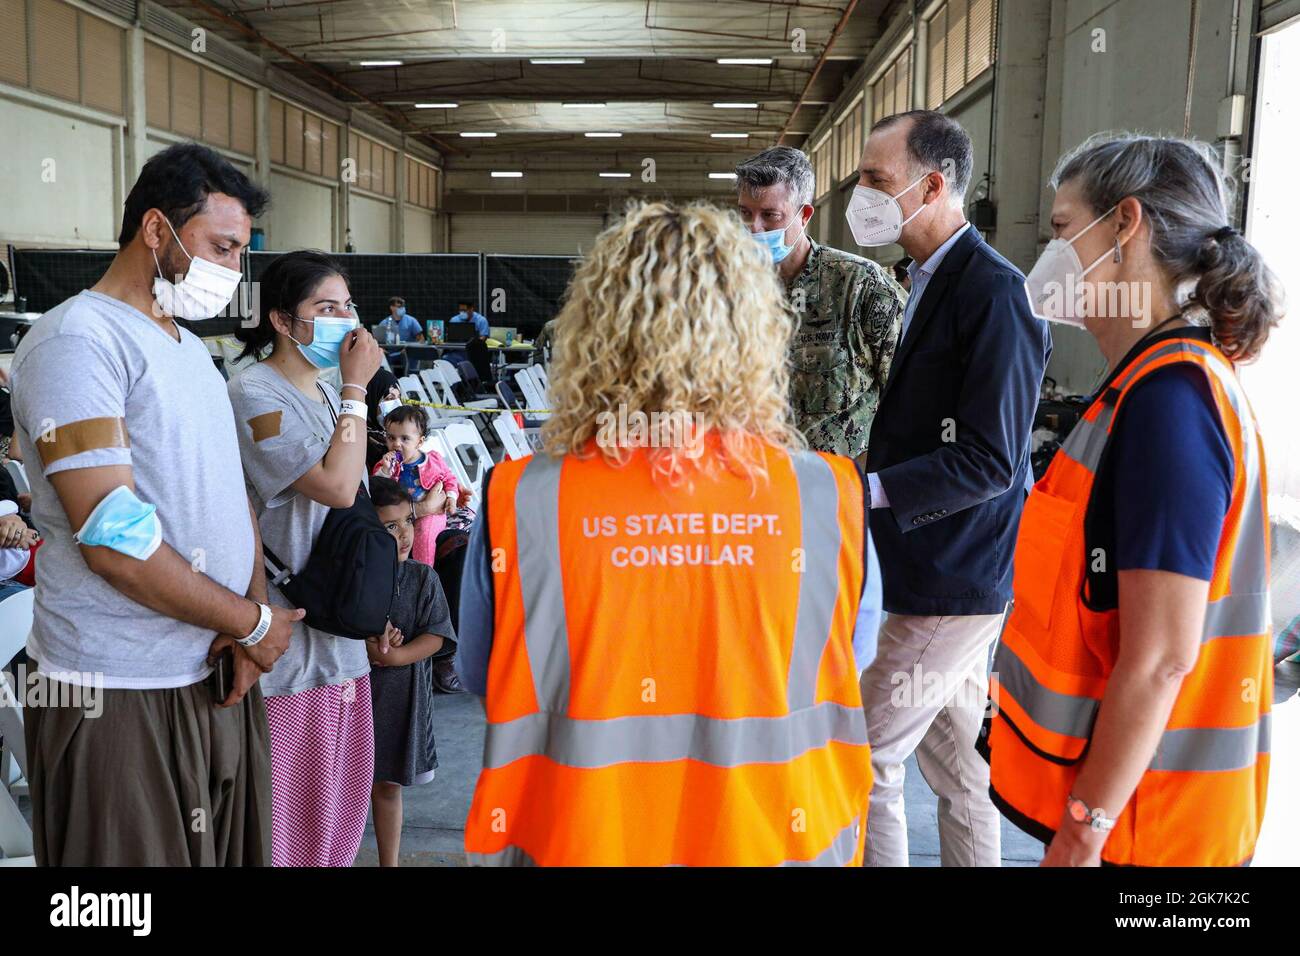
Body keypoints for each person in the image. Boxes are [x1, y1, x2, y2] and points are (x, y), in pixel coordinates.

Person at [456, 201, 882, 866]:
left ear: (594, 328)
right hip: (779, 842)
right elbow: (847, 663)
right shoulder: (826, 497)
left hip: (583, 840)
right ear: (756, 332)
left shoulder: (522, 499)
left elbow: (486, 673)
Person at [983, 133, 1279, 867]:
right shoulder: (1143, 386)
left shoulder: (1169, 400)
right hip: (1138, 817)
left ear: (1125, 223)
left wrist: (1083, 831)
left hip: (1149, 832)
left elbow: (1160, 660)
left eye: (1060, 228)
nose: (1051, 254)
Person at [10, 142, 296, 866]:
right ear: (157, 230)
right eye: (222, 248)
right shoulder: (78, 340)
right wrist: (253, 620)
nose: (234, 273)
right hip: (119, 689)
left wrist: (247, 625)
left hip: (213, 670)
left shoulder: (186, 348)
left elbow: (230, 496)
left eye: (241, 254)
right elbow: (113, 536)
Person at [847, 110, 1051, 867]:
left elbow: (990, 461)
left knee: (858, 758)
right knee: (964, 773)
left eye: (875, 180)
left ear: (932, 185)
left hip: (952, 581)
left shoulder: (994, 293)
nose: (861, 195)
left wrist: (861, 491)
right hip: (938, 574)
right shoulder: (928, 281)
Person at [227, 249, 385, 867]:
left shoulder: (323, 390)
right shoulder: (253, 393)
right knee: (289, 831)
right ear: (282, 321)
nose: (345, 320)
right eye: (326, 308)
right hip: (290, 649)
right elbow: (336, 486)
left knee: (340, 820)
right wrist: (354, 390)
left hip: (343, 638)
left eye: (348, 306)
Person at [734, 145, 904, 461]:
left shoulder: (859, 285)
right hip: (754, 484)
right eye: (745, 213)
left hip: (838, 487)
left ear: (804, 215)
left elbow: (909, 391)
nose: (754, 228)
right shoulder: (726, 289)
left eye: (770, 215)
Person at [367, 476, 457, 866]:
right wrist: (368, 642)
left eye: (408, 522)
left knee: (388, 786)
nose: (403, 534)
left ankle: (390, 861)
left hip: (402, 701)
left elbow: (437, 636)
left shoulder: (423, 577)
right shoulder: (356, 579)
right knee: (342, 789)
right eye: (390, 526)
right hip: (357, 702)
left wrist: (395, 657)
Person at [372, 404, 459, 566]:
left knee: (424, 535)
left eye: (404, 439)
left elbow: (449, 479)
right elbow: (376, 487)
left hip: (431, 514)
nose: (397, 444)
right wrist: (384, 472)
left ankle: (424, 572)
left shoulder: (433, 460)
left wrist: (452, 498)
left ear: (419, 442)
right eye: (391, 438)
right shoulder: (386, 464)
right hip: (401, 516)